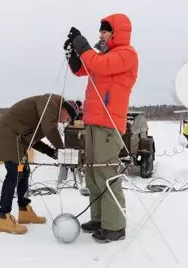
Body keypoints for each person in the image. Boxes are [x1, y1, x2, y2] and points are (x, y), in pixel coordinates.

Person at [64, 13, 139, 242]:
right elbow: (83, 69)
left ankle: (115, 226)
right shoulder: (103, 55)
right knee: (92, 172)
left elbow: (99, 65)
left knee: (106, 172)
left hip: (108, 124)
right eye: (101, 31)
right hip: (92, 121)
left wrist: (83, 45)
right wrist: (73, 56)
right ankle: (99, 219)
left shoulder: (126, 54)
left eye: (105, 31)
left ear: (116, 33)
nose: (101, 35)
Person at [0, 94, 80, 234]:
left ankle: (24, 210)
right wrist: (62, 151)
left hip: (17, 139)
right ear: (64, 109)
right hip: (8, 136)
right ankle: (3, 217)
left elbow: (32, 139)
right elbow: (50, 129)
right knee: (13, 174)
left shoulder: (48, 112)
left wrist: (51, 152)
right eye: (68, 117)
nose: (65, 121)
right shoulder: (49, 103)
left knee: (24, 172)